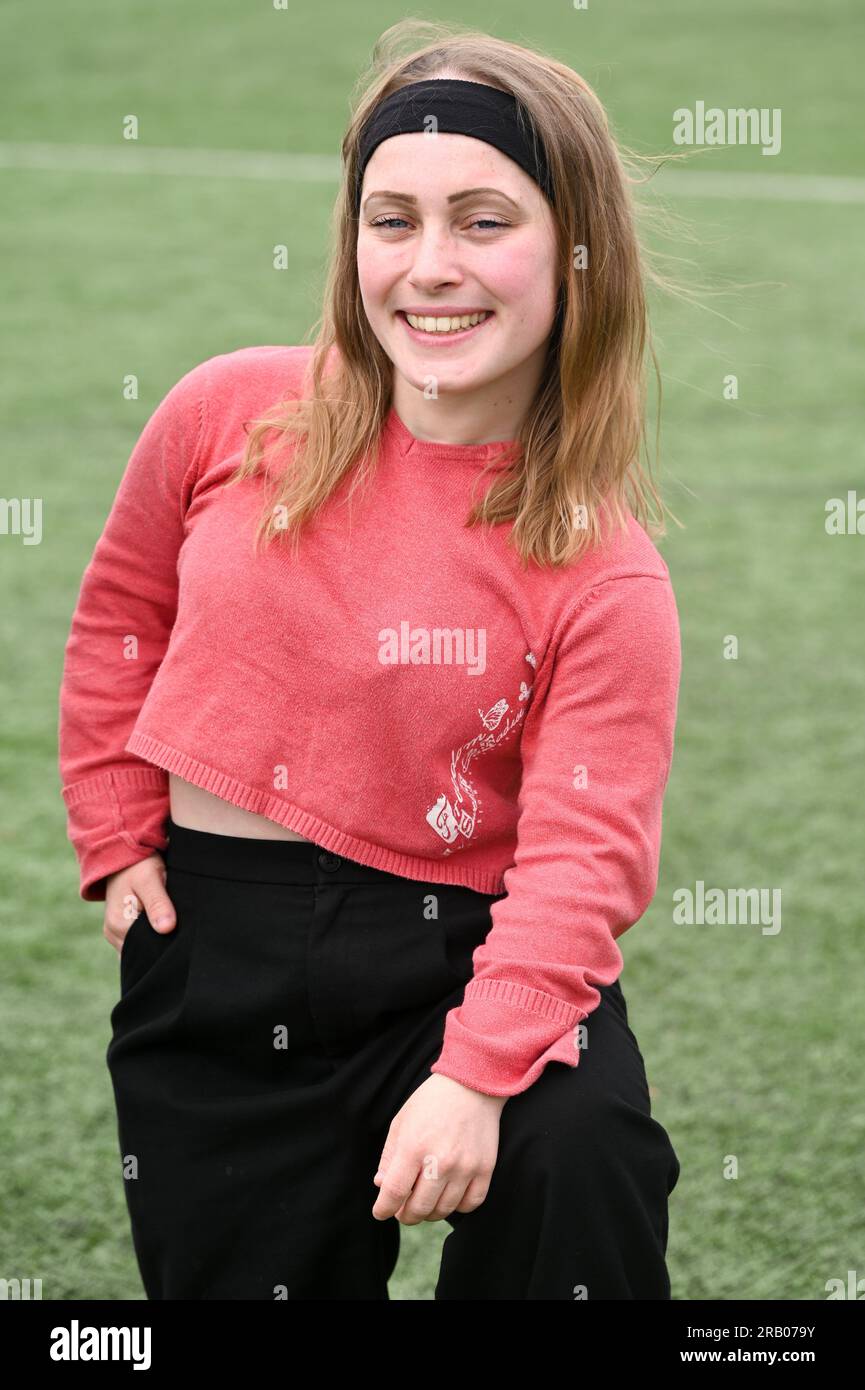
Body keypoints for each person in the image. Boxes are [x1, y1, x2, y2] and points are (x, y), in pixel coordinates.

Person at [58, 22, 683, 1300]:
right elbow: (121, 616)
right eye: (391, 220)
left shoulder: (603, 567)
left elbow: (583, 861)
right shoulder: (230, 412)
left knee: (582, 1153)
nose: (430, 265)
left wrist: (476, 1076)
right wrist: (117, 829)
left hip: (463, 947)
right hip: (220, 946)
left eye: (483, 222)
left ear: (576, 250)